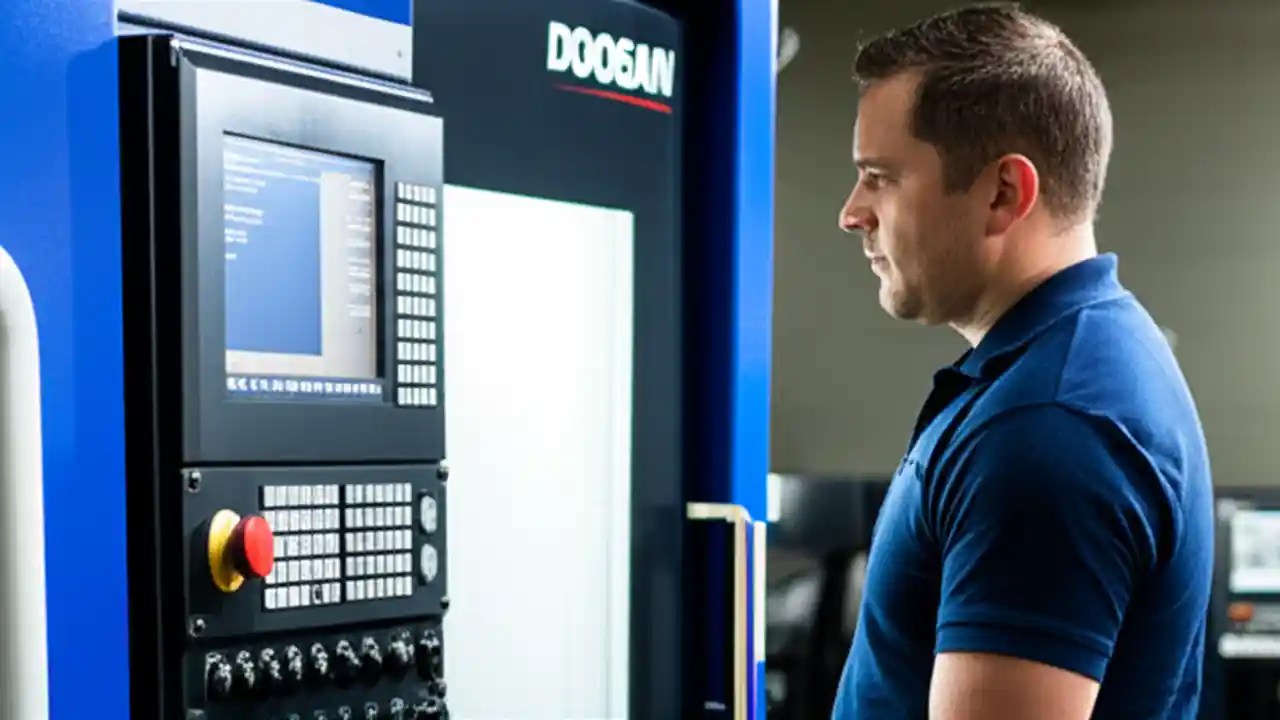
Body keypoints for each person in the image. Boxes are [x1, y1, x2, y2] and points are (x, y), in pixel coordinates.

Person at [831, 4, 1213, 719]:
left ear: (1004, 193)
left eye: (880, 177)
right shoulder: (1069, 366)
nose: (853, 212)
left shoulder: (1048, 428)